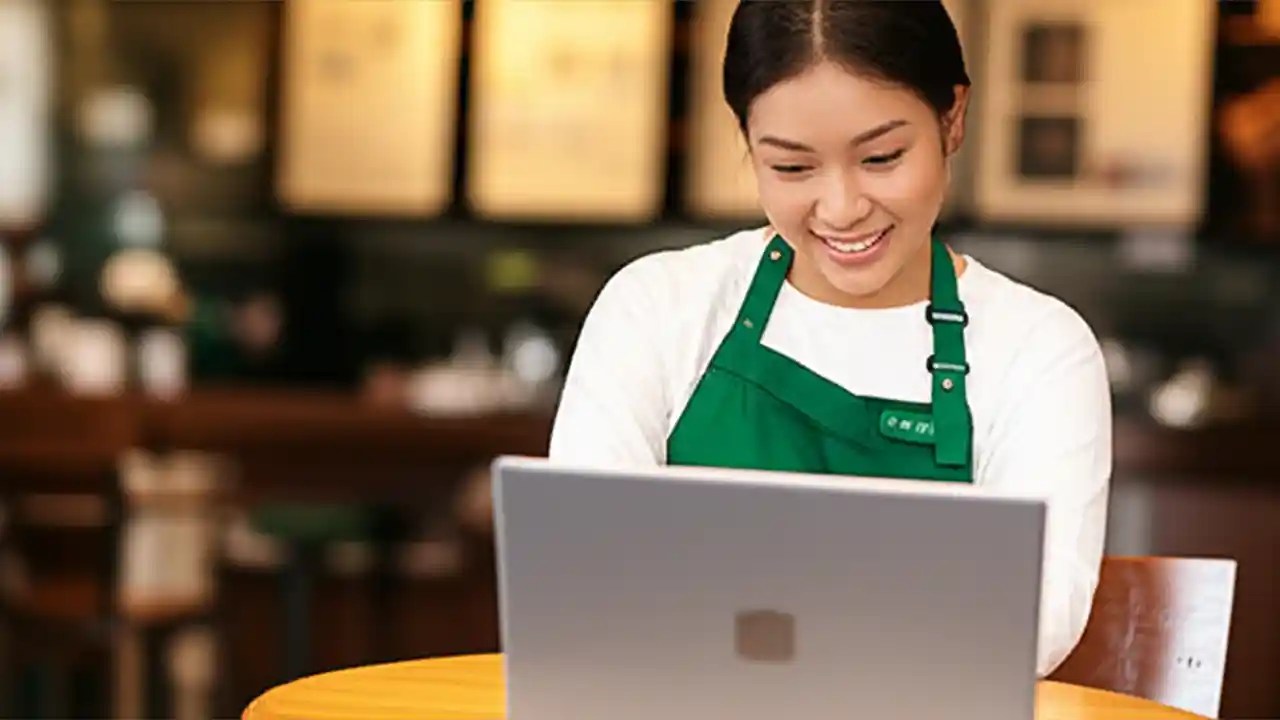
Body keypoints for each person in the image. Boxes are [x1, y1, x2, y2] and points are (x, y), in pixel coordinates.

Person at [548, 0, 1111, 679]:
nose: (841, 208)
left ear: (952, 118)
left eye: (881, 157)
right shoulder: (658, 308)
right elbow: (587, 574)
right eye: (791, 168)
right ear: (748, 142)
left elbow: (1030, 622)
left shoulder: (1038, 349)